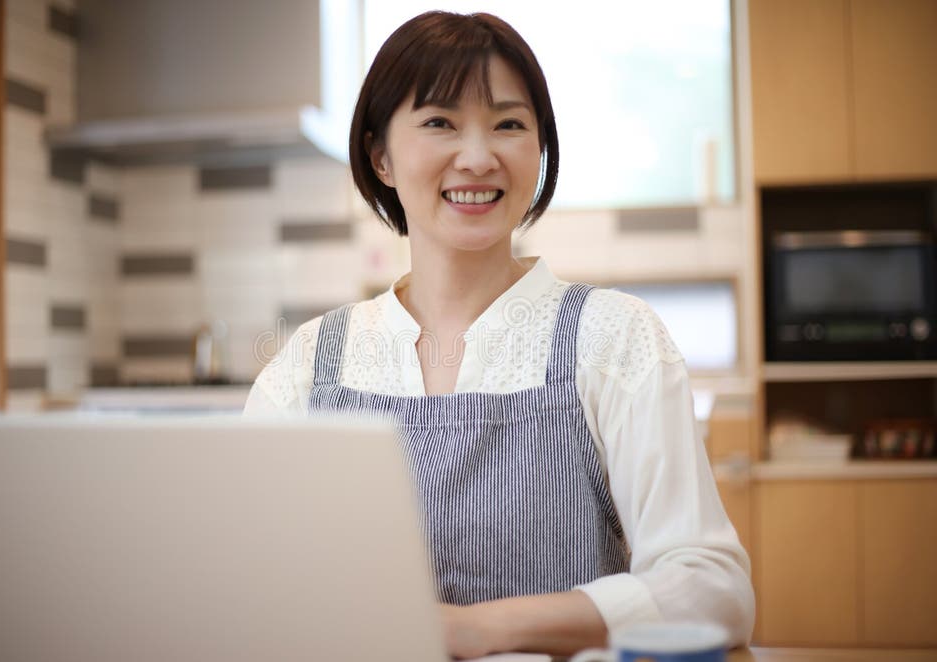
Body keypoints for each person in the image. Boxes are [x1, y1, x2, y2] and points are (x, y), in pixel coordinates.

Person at [244, 10, 754, 659]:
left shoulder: (614, 338)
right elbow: (247, 579)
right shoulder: (309, 362)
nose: (479, 158)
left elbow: (714, 590)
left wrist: (472, 630)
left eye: (509, 125)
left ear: (538, 148)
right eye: (440, 123)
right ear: (381, 156)